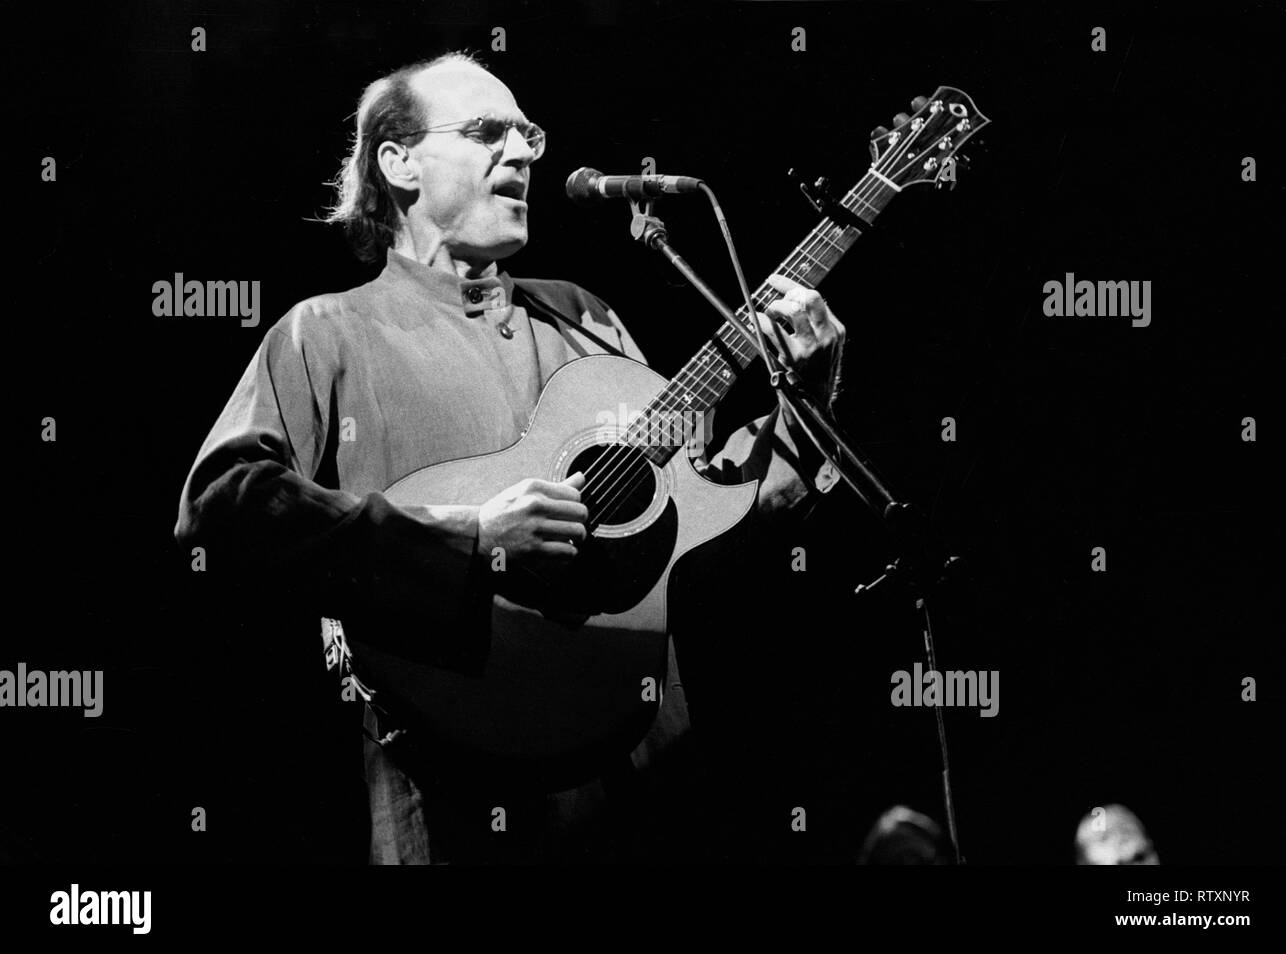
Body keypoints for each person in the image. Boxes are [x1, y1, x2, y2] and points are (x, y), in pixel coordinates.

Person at [175, 51, 846, 863]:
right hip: (458, 782)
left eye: (529, 134)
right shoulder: (324, 332)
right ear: (399, 163)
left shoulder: (587, 321)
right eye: (489, 132)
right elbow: (226, 505)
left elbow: (708, 529)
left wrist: (806, 403)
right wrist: (467, 538)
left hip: (645, 769)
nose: (526, 153)